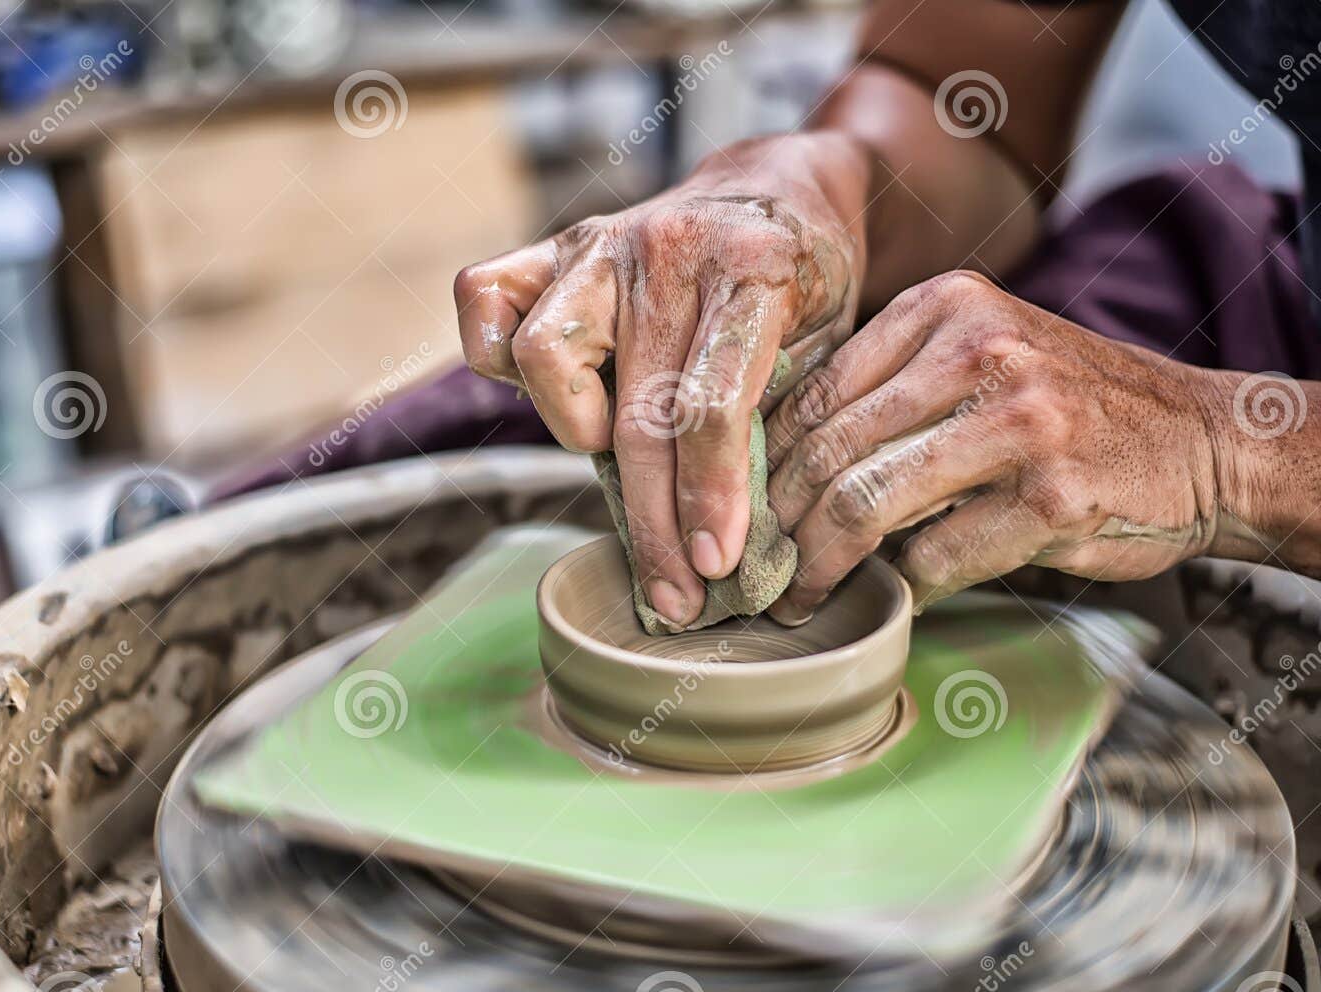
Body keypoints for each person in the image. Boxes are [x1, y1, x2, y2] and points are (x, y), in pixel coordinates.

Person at [454, 0, 1321, 628]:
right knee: (572, 402)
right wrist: (817, 181)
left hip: (1275, 422)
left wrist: (1226, 457)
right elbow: (958, 100)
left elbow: (1231, 450)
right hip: (1273, 276)